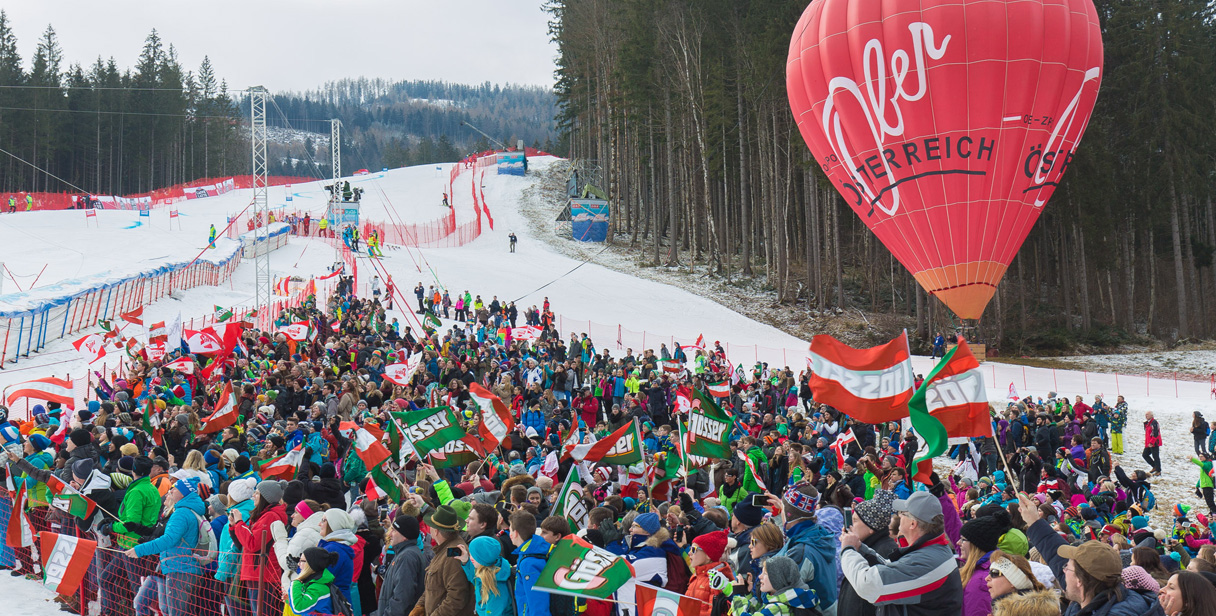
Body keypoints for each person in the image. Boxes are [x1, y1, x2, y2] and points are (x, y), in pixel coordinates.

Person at [1018, 493, 1165, 616]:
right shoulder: (1099, 594)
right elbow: (1056, 555)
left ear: (1079, 581)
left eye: (1067, 568)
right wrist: (1034, 521)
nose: (1062, 570)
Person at [839, 490, 963, 616]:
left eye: (902, 513)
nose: (897, 516)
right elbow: (894, 570)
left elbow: (869, 586)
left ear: (912, 524)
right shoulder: (933, 551)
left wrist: (848, 550)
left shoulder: (926, 562)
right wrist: (861, 548)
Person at [125, 478, 207, 616]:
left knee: (175, 612)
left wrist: (139, 550)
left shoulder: (181, 513)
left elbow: (168, 540)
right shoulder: (188, 510)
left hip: (179, 569)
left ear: (182, 493)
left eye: (174, 488)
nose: (170, 491)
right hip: (182, 567)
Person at [836, 490, 898, 616]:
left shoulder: (887, 551)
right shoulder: (863, 546)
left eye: (855, 521)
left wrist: (848, 549)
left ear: (871, 527)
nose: (851, 525)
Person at [422, 504, 474, 616]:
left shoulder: (453, 554)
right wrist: (419, 607)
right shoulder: (444, 549)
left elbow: (457, 598)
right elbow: (432, 588)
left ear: (436, 531)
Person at [379, 514, 427, 616]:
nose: (390, 534)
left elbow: (403, 596)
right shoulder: (403, 553)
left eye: (394, 531)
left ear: (405, 536)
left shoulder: (407, 557)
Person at [458, 535, 513, 616]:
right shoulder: (487, 570)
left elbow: (493, 613)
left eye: (473, 554)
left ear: (481, 557)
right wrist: (465, 561)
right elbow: (475, 578)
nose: (471, 557)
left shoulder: (496, 587)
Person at [286, 547, 341, 616]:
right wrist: (289, 601)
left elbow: (298, 608)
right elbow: (308, 608)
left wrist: (295, 583)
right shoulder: (313, 583)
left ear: (311, 564)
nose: (298, 564)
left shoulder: (318, 588)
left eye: (301, 561)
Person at [1144, 411, 1163, 475]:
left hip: (1154, 443)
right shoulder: (1147, 423)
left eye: (1147, 415)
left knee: (1155, 456)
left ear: (1152, 415)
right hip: (1149, 443)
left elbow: (1155, 433)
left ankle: (1158, 470)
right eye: (1146, 415)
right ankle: (1155, 466)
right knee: (1145, 455)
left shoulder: (1154, 423)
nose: (1146, 416)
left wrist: (1152, 442)